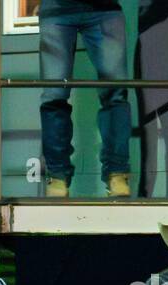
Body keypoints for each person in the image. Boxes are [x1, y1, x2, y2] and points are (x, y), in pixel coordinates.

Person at [38, 0, 131, 198]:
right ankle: (57, 176)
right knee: (54, 94)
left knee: (115, 92)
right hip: (57, 9)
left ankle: (117, 173)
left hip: (105, 8)